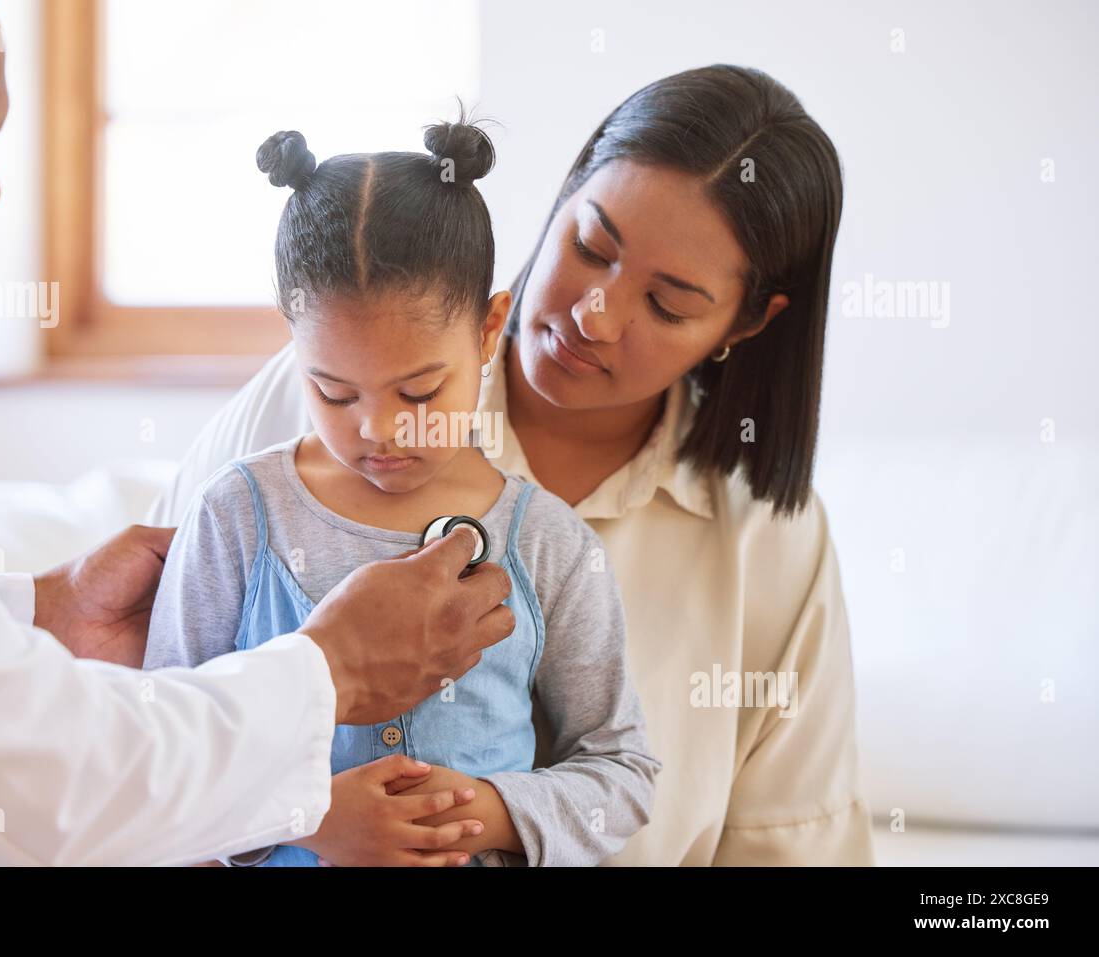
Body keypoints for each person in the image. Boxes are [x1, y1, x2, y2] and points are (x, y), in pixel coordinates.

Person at [0, 0, 512, 866]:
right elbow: (57, 793)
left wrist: (43, 612)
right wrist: (330, 669)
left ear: (486, 331)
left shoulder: (536, 530)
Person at [149, 65, 876, 865]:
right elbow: (142, 742)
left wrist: (473, 812)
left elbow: (786, 842)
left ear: (747, 321)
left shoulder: (766, 540)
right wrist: (297, 810)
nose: (593, 318)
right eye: (591, 245)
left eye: (667, 304)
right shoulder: (287, 431)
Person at [145, 122, 660, 867]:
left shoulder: (548, 544)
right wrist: (304, 821)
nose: (379, 430)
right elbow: (159, 749)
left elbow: (623, 770)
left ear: (489, 330)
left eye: (420, 389)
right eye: (334, 390)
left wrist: (477, 813)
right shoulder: (236, 519)